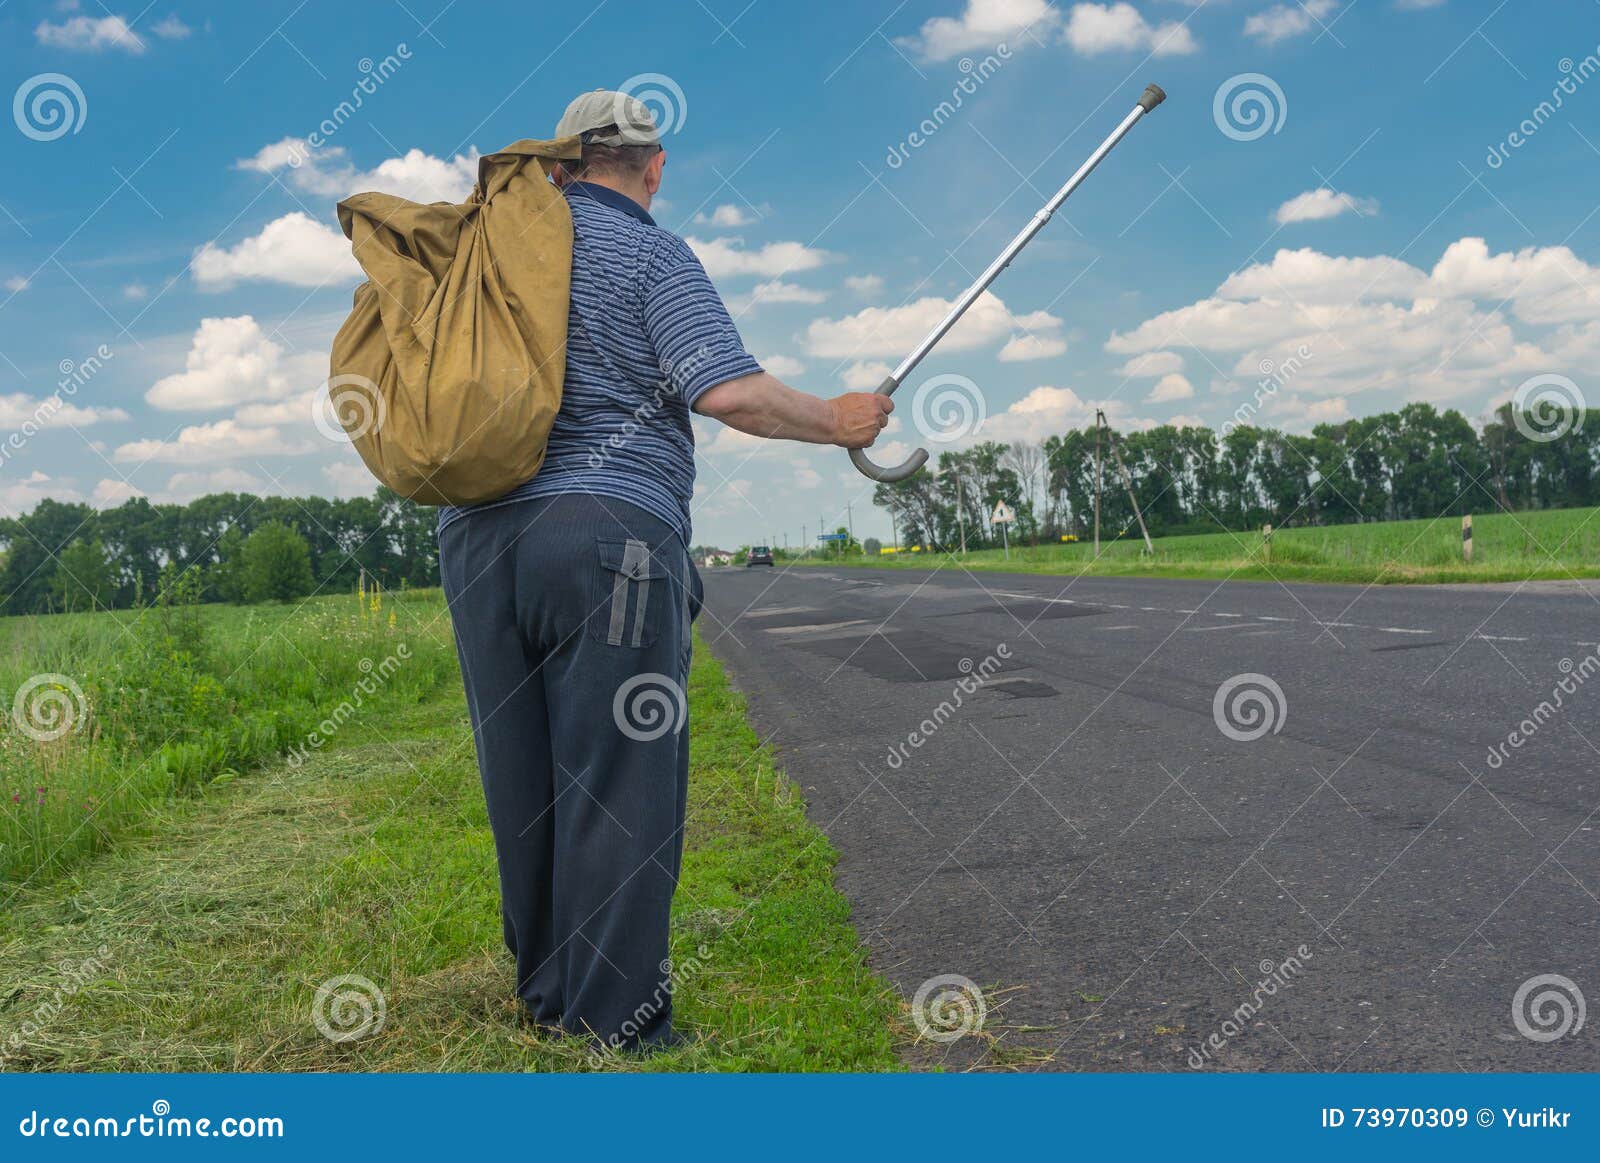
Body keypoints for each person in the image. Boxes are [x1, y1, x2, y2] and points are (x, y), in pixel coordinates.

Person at [436, 88, 892, 1050]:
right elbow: (731, 394)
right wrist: (838, 419)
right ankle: (619, 1023)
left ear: (562, 165)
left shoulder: (494, 250)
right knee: (617, 776)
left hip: (475, 542)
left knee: (517, 776)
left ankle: (547, 994)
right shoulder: (650, 251)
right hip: (607, 540)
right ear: (653, 166)